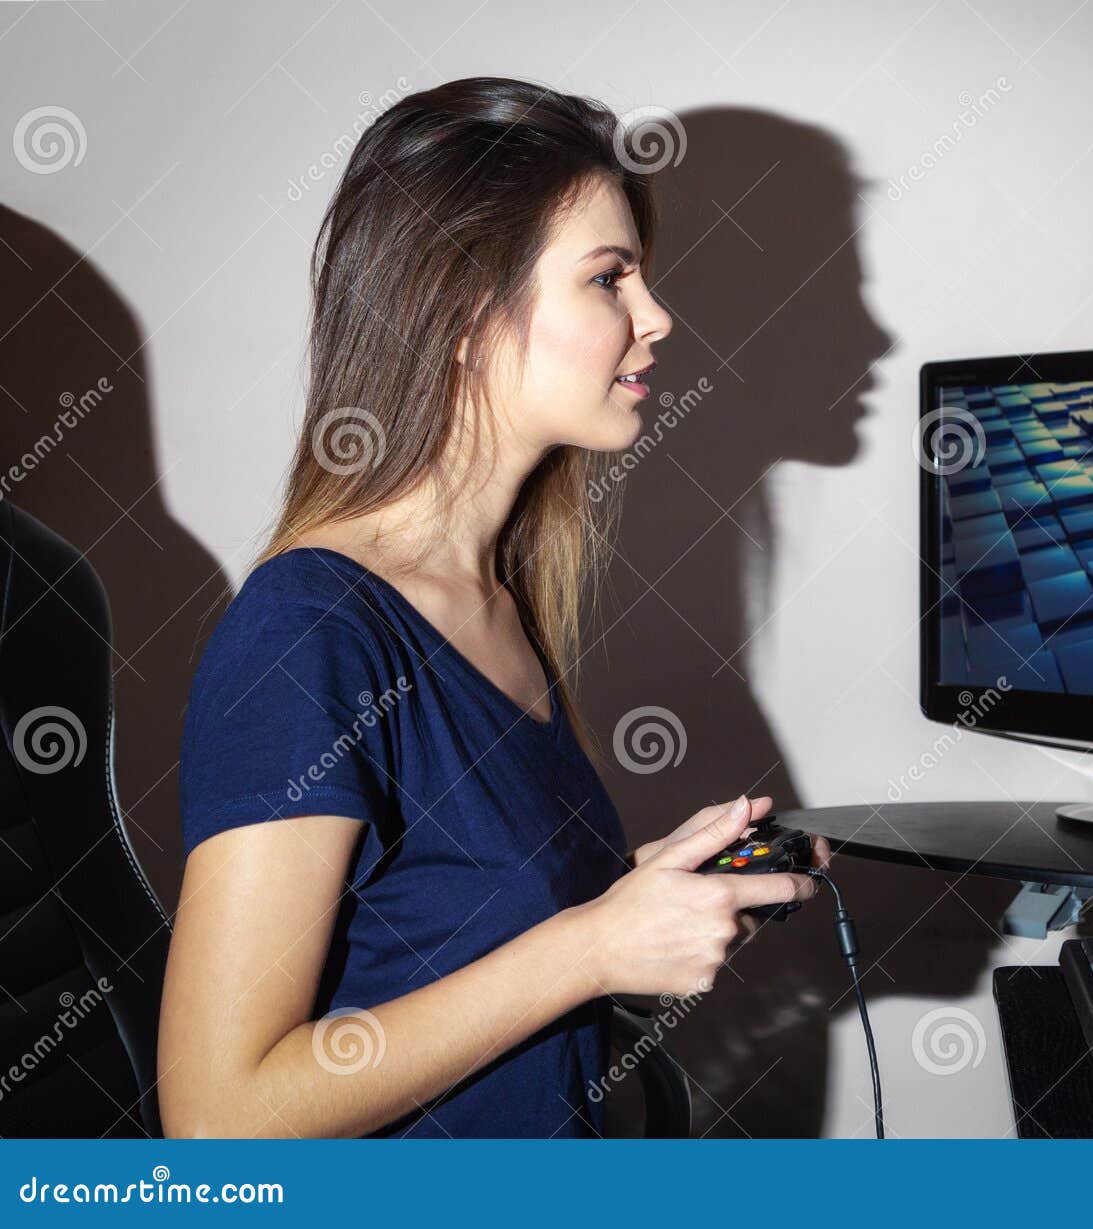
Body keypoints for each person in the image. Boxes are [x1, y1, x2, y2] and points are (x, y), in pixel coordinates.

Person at [157, 77, 827, 1139]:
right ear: (463, 314)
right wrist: (592, 947)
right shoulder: (310, 630)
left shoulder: (496, 601)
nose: (656, 318)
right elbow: (219, 1117)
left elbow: (438, 927)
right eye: (609, 278)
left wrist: (632, 897)